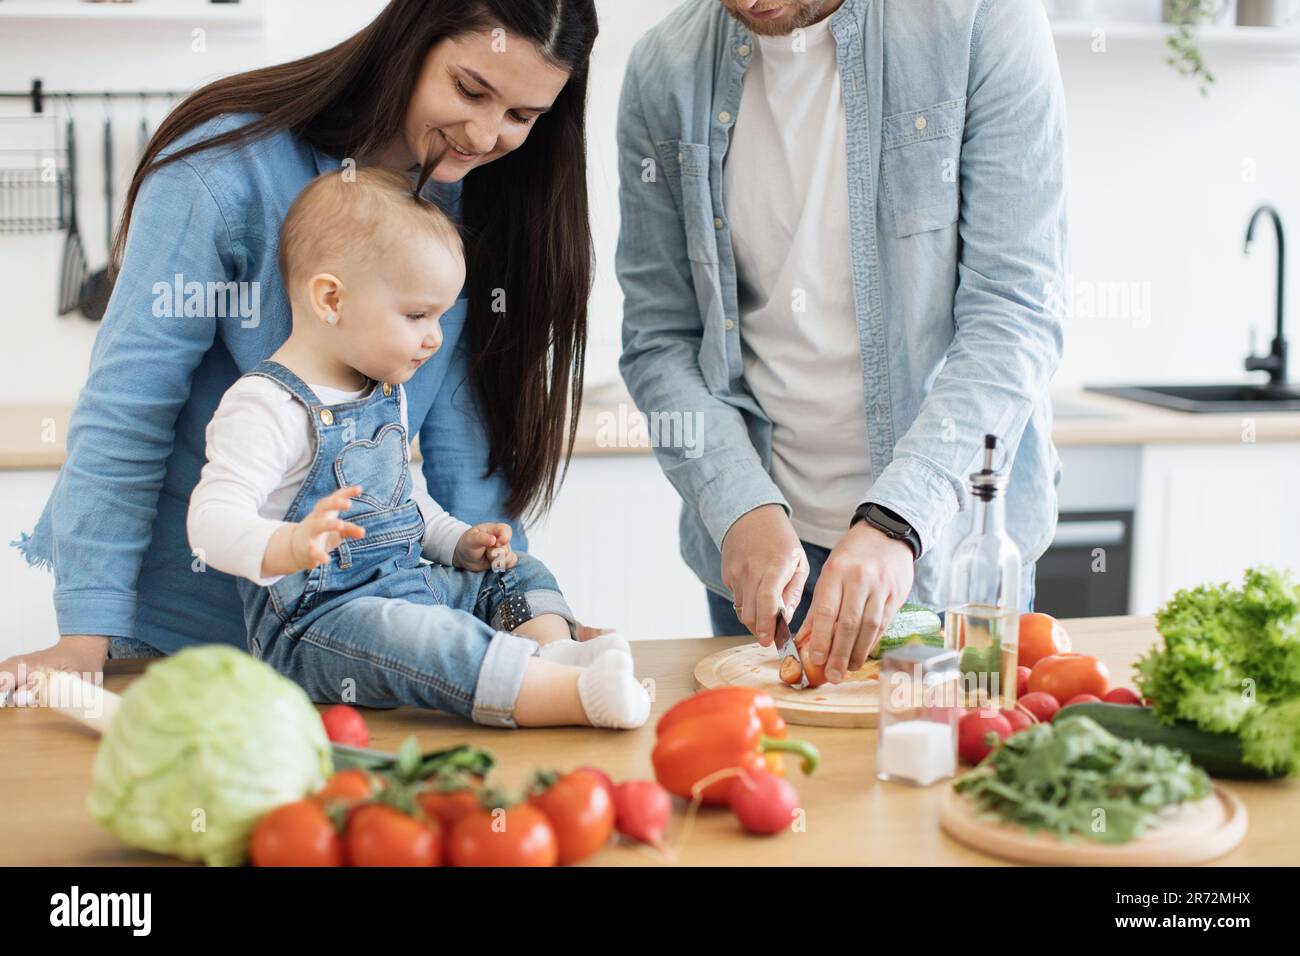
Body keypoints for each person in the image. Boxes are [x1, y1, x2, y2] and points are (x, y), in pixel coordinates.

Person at [2, 0, 602, 705]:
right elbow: (126, 411)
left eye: (521, 117)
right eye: (470, 90)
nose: (483, 133)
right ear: (410, 40)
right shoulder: (225, 170)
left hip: (368, 628)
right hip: (181, 638)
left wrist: (519, 609)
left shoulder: (483, 203)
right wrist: (83, 636)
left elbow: (468, 458)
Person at [617, 0, 1067, 683]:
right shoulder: (662, 69)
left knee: (956, 782)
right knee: (778, 784)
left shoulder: (981, 18)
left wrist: (898, 520)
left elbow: (1015, 311)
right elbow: (660, 337)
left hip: (948, 554)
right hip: (761, 561)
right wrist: (736, 502)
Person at [185, 168, 647, 728]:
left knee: (516, 572)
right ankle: (574, 698)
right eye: (416, 315)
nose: (435, 337)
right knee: (431, 638)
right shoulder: (265, 405)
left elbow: (400, 500)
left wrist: (455, 541)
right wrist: (289, 543)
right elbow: (209, 524)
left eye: (440, 316)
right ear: (331, 299)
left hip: (411, 586)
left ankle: (553, 657)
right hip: (320, 623)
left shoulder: (385, 393)